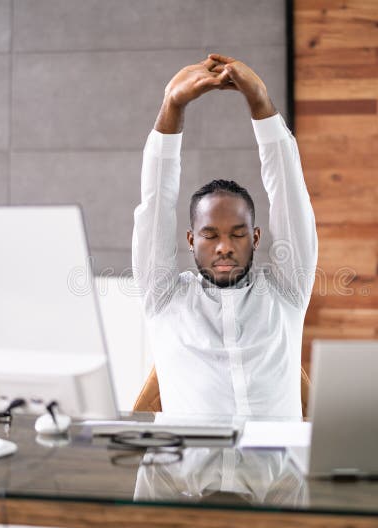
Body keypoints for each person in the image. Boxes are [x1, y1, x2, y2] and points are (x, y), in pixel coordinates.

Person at [132, 54, 318, 417]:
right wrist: (172, 105)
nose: (224, 247)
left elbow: (289, 192)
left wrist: (260, 102)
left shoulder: (285, 293)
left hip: (275, 474)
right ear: (190, 240)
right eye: (209, 235)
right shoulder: (165, 300)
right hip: (189, 474)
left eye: (237, 234)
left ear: (256, 236)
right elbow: (155, 202)